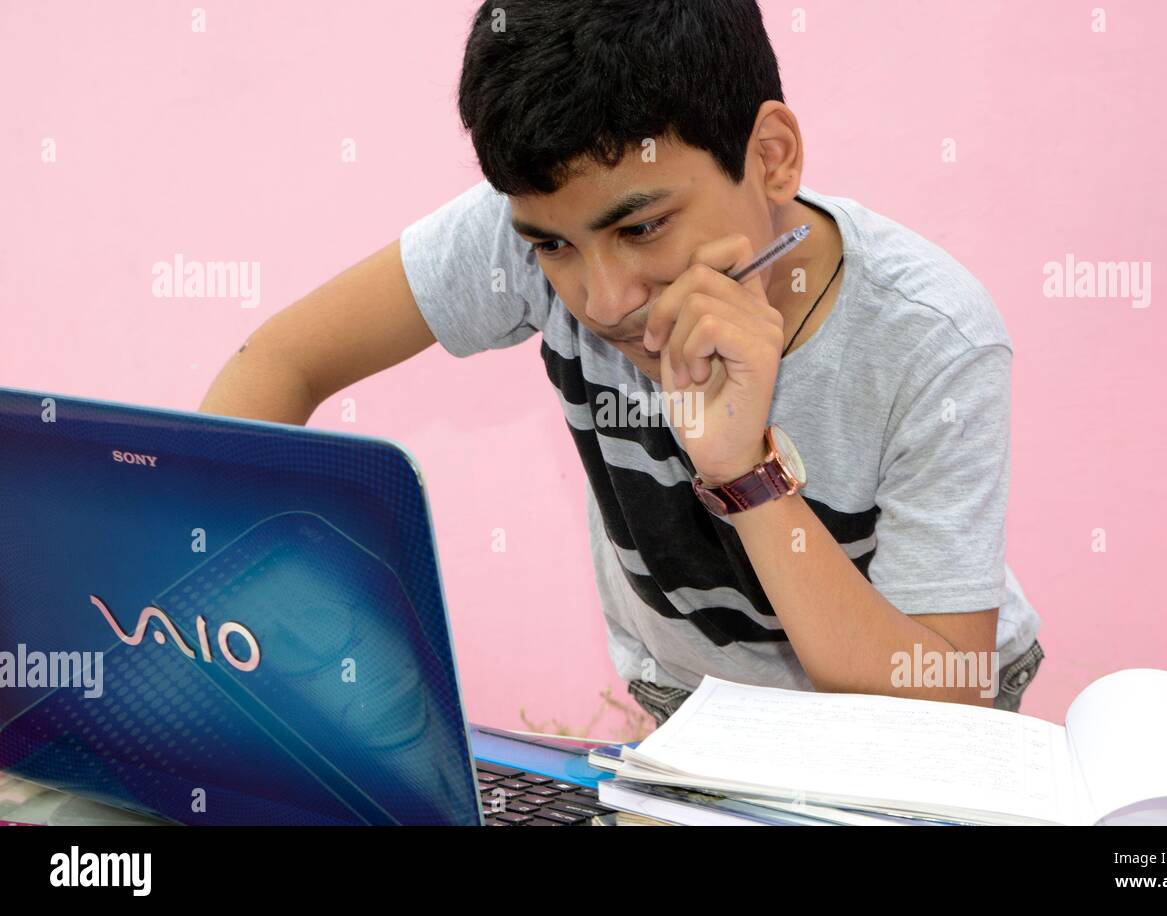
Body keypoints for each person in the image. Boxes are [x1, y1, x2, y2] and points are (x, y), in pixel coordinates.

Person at [200, 0, 1044, 728]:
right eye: (554, 246)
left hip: (924, 717)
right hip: (694, 706)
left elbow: (939, 698)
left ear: (773, 155)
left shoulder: (933, 336)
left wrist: (744, 473)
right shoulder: (539, 228)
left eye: (643, 229)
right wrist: (209, 600)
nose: (602, 299)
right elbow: (283, 360)